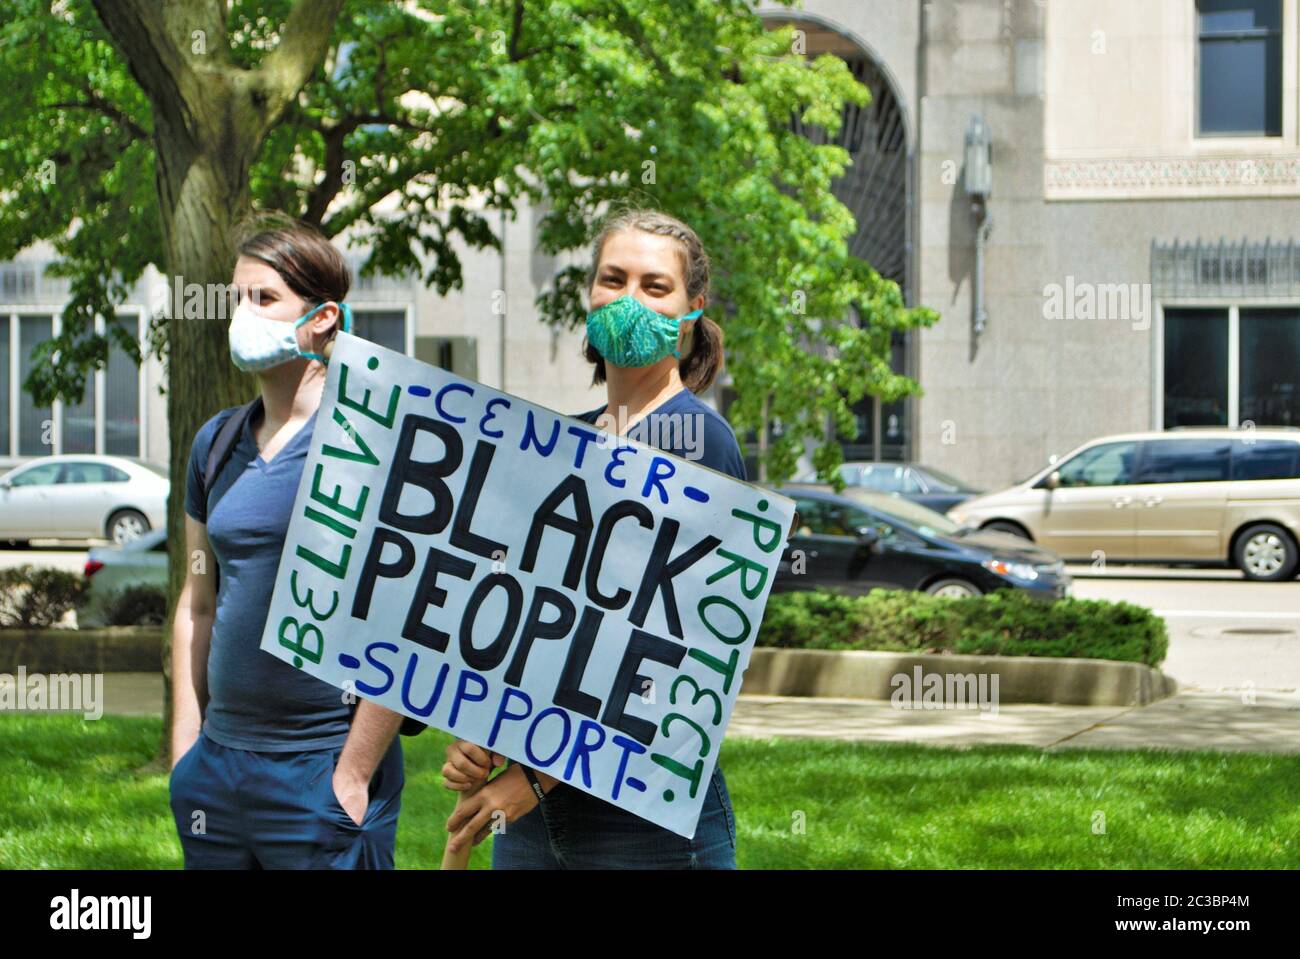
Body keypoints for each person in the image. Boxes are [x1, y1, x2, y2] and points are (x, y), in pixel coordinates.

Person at [441, 208, 744, 869]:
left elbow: (684, 658)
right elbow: (531, 620)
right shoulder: (560, 442)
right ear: (590, 294)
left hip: (648, 830)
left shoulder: (702, 444)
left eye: (654, 285)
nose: (630, 298)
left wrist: (536, 777)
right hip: (528, 822)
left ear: (692, 310)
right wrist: (480, 732)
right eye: (614, 278)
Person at [169, 214, 407, 869]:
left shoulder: (372, 440)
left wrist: (353, 774)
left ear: (324, 318)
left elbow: (405, 616)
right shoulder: (214, 444)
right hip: (216, 772)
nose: (244, 315)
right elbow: (197, 603)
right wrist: (187, 749)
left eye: (265, 298)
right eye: (237, 299)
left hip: (323, 767)